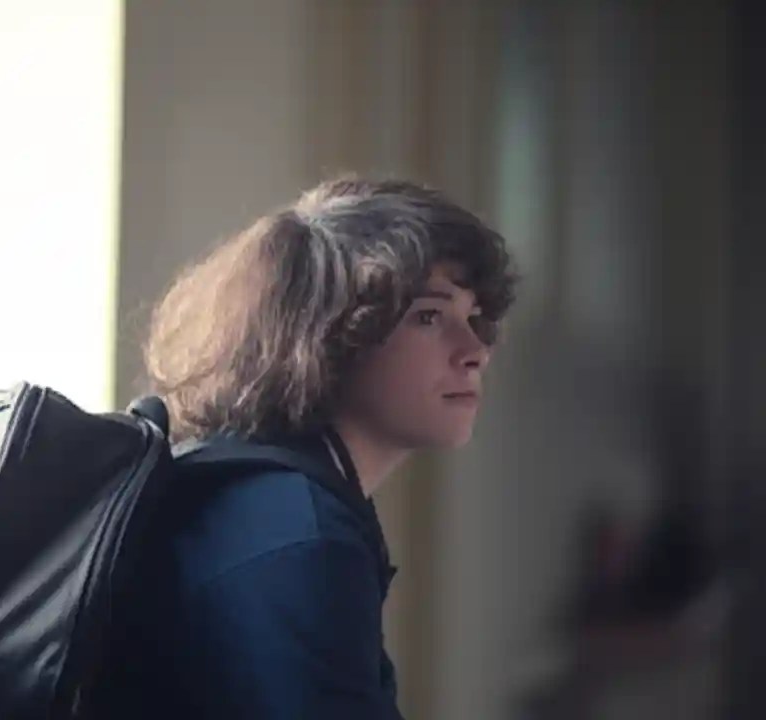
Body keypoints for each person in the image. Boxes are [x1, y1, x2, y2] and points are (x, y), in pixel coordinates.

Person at [97, 176, 517, 718]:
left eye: (474, 318)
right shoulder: (297, 533)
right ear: (331, 337)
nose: (474, 350)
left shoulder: (273, 497)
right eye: (430, 316)